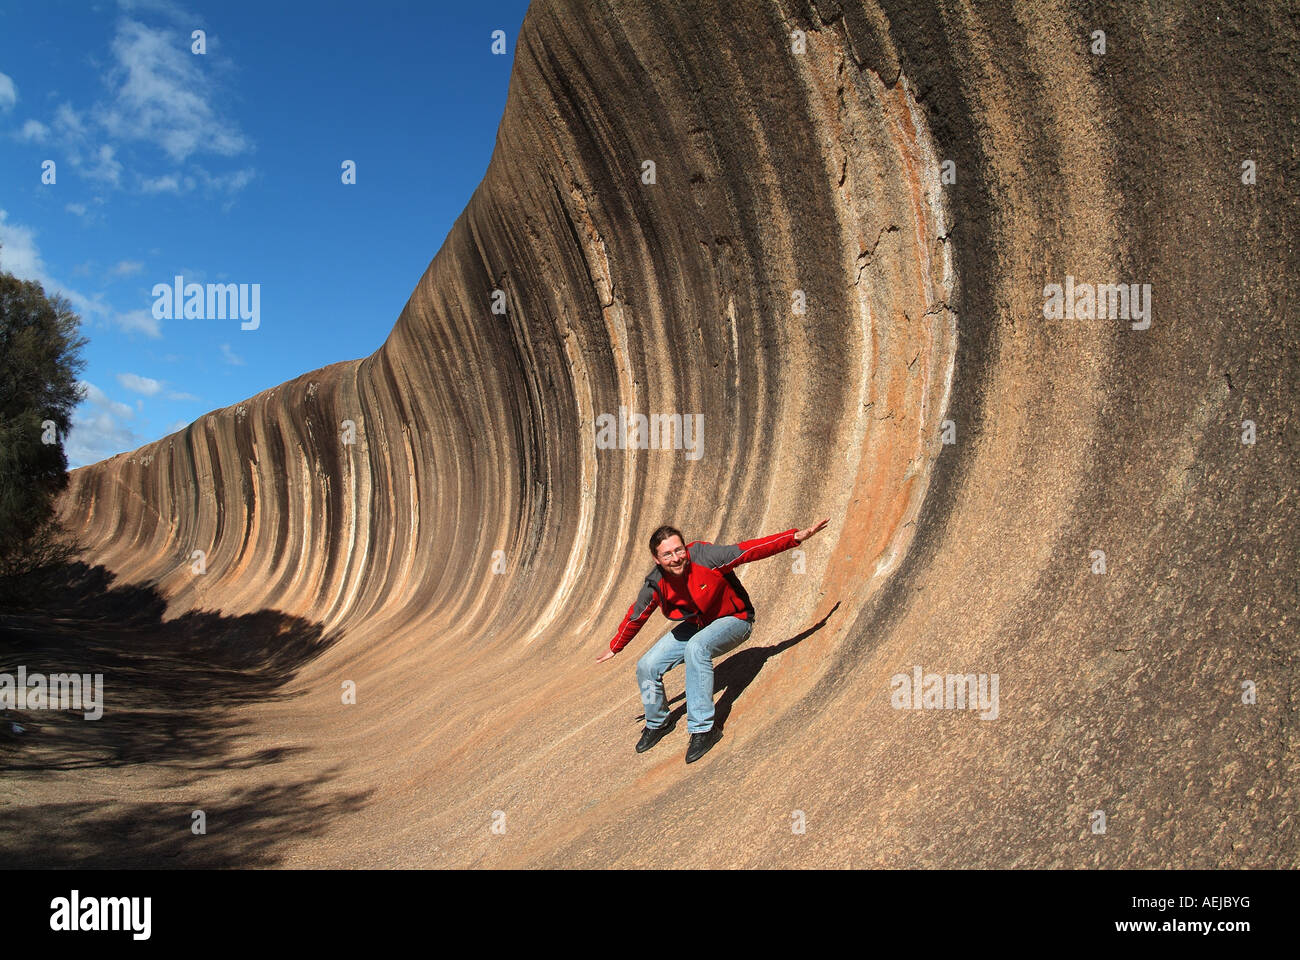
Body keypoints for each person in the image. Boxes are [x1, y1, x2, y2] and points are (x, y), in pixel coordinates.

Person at [595, 518, 830, 763]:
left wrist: (793, 538)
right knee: (646, 665)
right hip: (699, 623)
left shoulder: (705, 557)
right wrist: (616, 647)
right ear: (657, 559)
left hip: (735, 619)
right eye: (667, 554)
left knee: (697, 648)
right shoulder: (656, 582)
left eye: (678, 550)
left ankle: (703, 729)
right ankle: (658, 722)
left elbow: (748, 550)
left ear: (685, 548)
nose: (675, 558)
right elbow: (637, 614)